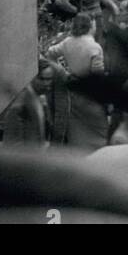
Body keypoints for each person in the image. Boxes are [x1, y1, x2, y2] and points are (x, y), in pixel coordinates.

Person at [45, 11, 109, 151]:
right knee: (96, 130)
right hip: (90, 93)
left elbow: (49, 53)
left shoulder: (68, 42)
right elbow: (97, 73)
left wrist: (62, 72)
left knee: (76, 129)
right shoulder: (94, 47)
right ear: (90, 25)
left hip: (73, 89)